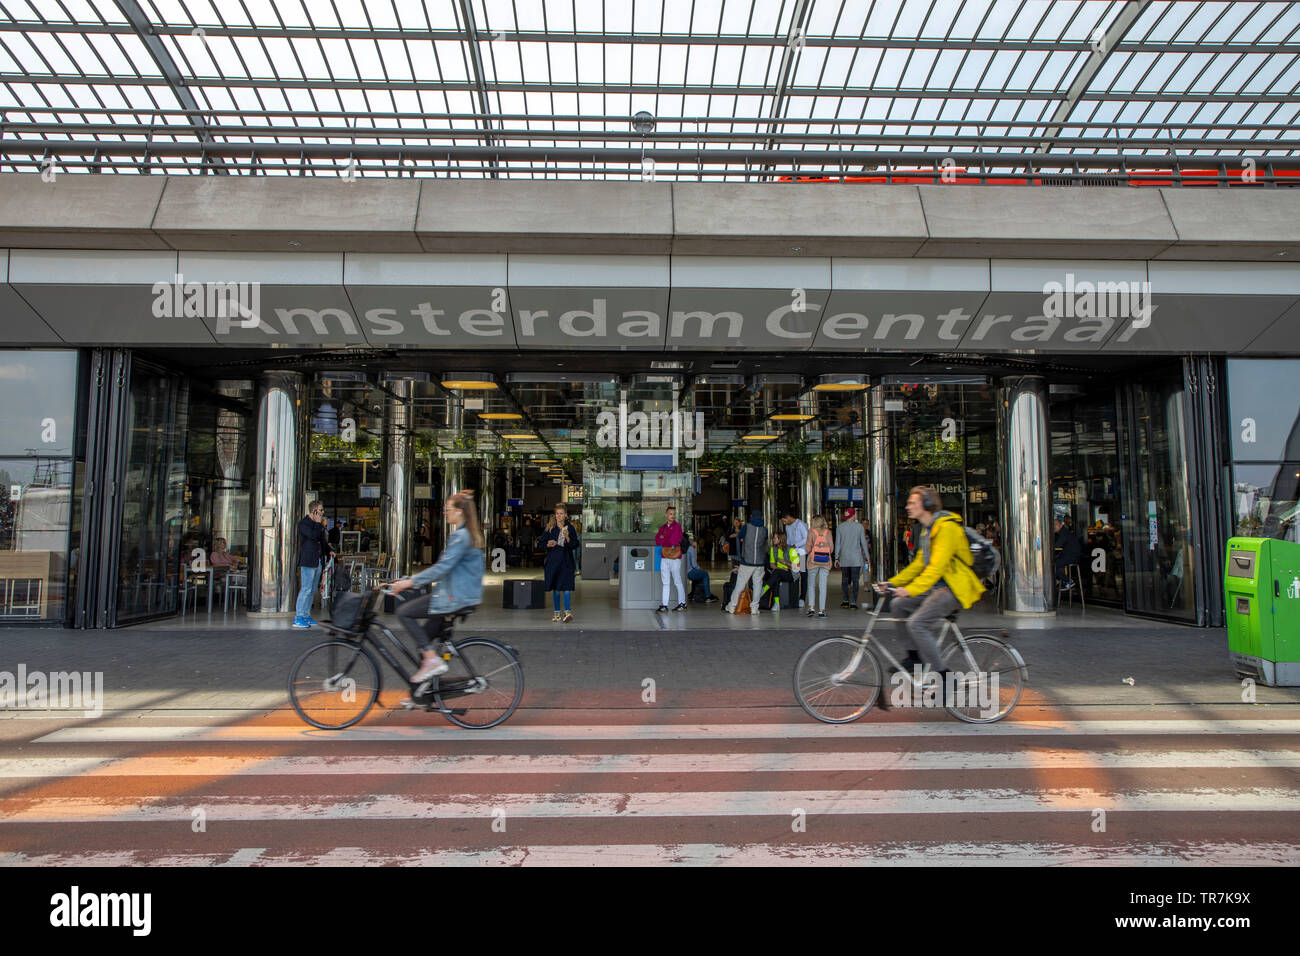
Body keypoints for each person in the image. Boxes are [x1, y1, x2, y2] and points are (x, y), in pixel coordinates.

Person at [875, 486, 985, 709]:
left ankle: (945, 676)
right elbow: (918, 565)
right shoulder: (927, 530)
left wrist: (911, 589)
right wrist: (893, 583)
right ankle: (914, 658)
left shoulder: (946, 530)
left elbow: (935, 569)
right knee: (897, 605)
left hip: (954, 589)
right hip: (938, 587)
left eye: (912, 503)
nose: (907, 506)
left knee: (917, 623)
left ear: (926, 505)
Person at [388, 491, 485, 688]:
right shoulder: (468, 535)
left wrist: (409, 583)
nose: (444, 513)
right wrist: (406, 579)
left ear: (459, 512)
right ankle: (427, 691)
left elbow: (442, 568)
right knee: (423, 641)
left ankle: (432, 662)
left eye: (448, 509)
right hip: (457, 596)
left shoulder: (460, 537)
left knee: (404, 613)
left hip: (451, 598)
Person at [292, 500, 333, 629]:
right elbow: (313, 536)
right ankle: (298, 617)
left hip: (318, 560)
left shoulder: (318, 525)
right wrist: (317, 523)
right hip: (308, 561)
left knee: (312, 589)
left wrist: (329, 551)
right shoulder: (304, 524)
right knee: (306, 588)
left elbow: (322, 540)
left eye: (322, 510)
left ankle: (305, 614)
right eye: (320, 510)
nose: (322, 513)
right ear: (314, 510)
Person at [540, 503, 579, 622]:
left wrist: (567, 537)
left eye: (561, 514)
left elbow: (575, 544)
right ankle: (556, 614)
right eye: (557, 513)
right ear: (555, 515)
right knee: (556, 588)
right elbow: (541, 543)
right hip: (553, 562)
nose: (559, 516)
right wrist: (548, 544)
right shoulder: (550, 528)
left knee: (566, 586)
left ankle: (567, 613)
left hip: (566, 562)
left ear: (565, 515)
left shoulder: (570, 528)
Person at [724, 510, 767, 615]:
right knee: (757, 585)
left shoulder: (746, 527)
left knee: (740, 584)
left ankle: (732, 606)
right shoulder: (764, 529)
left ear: (751, 516)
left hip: (747, 561)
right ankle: (754, 608)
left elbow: (739, 537)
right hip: (760, 562)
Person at [834, 507, 869, 609]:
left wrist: (836, 557)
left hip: (844, 557)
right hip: (856, 558)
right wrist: (867, 556)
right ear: (854, 515)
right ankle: (853, 602)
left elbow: (838, 544)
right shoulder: (859, 527)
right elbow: (863, 543)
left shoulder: (840, 527)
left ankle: (845, 600)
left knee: (845, 580)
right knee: (855, 580)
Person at [655, 504, 687, 612]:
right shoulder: (663, 527)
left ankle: (682, 603)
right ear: (666, 515)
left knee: (677, 581)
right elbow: (657, 541)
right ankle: (664, 604)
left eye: (674, 514)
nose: (672, 516)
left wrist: (664, 538)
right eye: (670, 514)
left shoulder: (677, 526)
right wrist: (666, 539)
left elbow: (673, 540)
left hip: (675, 557)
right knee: (665, 582)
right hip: (665, 557)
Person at [759, 529, 799, 610]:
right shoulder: (773, 549)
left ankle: (764, 590)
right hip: (780, 572)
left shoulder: (791, 549)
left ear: (780, 539)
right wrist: (781, 568)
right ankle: (776, 604)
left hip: (791, 573)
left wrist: (784, 562)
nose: (773, 539)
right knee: (776, 576)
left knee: (776, 574)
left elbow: (797, 567)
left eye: (775, 538)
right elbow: (772, 565)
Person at [806, 515, 834, 617]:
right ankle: (822, 610)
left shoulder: (811, 532)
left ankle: (811, 608)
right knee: (823, 586)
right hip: (826, 562)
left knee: (811, 585)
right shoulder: (828, 532)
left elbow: (808, 548)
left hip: (813, 562)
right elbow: (831, 548)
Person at [781, 509, 809, 607]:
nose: (784, 523)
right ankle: (794, 597)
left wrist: (796, 545)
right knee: (794, 573)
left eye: (784, 520)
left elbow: (806, 538)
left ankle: (802, 598)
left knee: (803, 575)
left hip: (802, 553)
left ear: (788, 517)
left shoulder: (800, 524)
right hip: (793, 553)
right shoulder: (788, 526)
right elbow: (788, 539)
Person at [683, 534, 717, 602]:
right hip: (690, 572)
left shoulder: (680, 548)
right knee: (705, 574)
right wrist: (700, 569)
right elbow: (694, 565)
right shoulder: (690, 548)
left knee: (697, 575)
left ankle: (692, 594)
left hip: (683, 572)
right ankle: (708, 596)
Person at [1054, 516, 1082, 589]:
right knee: (1057, 564)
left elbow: (1057, 546)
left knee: (1053, 565)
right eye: (1053, 525)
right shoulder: (1063, 532)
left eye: (1056, 525)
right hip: (1072, 556)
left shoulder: (1063, 533)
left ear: (1061, 525)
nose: (1054, 527)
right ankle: (1063, 581)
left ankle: (1068, 581)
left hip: (1072, 557)